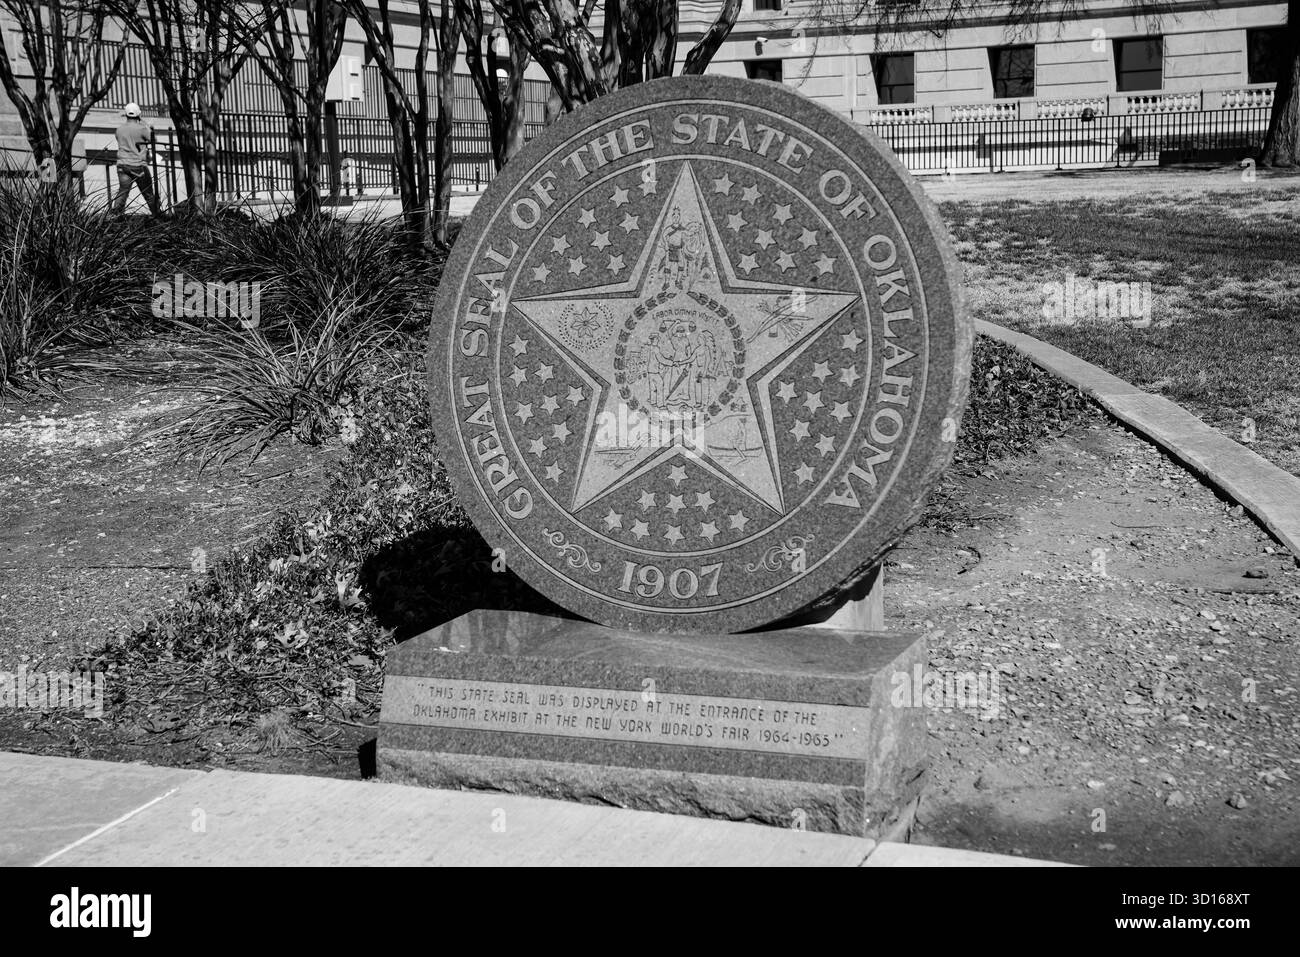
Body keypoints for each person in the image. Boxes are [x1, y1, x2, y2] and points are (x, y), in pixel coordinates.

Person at [111, 103, 163, 216]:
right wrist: (146, 124)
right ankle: (157, 215)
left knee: (123, 192)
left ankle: (115, 216)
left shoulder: (119, 130)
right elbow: (154, 139)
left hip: (122, 165)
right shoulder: (142, 128)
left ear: (126, 114)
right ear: (138, 114)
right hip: (138, 166)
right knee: (148, 193)